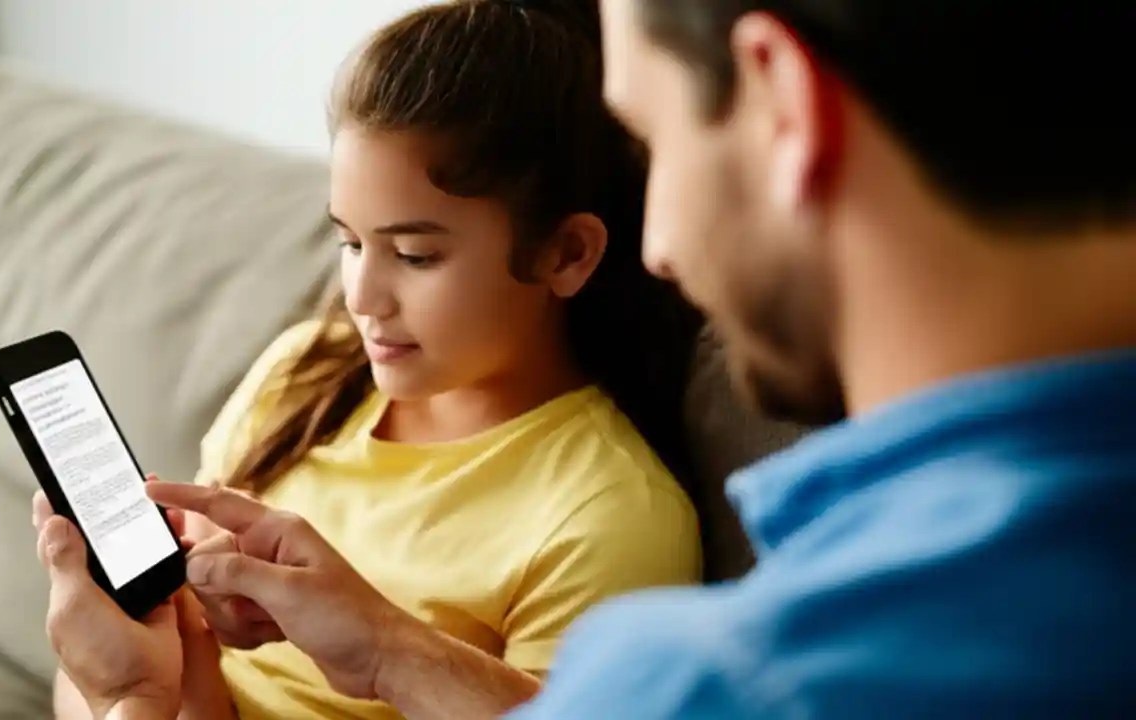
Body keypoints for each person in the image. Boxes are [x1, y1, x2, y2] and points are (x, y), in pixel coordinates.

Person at [36, 0, 1136, 718]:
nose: (657, 244)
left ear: (781, 107)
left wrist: (138, 704)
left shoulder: (712, 674)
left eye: (653, 145)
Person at [46, 1, 704, 719]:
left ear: (567, 253)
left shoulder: (603, 518)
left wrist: (134, 698)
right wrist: (153, 649)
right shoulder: (302, 372)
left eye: (415, 255)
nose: (361, 297)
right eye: (351, 243)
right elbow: (169, 663)